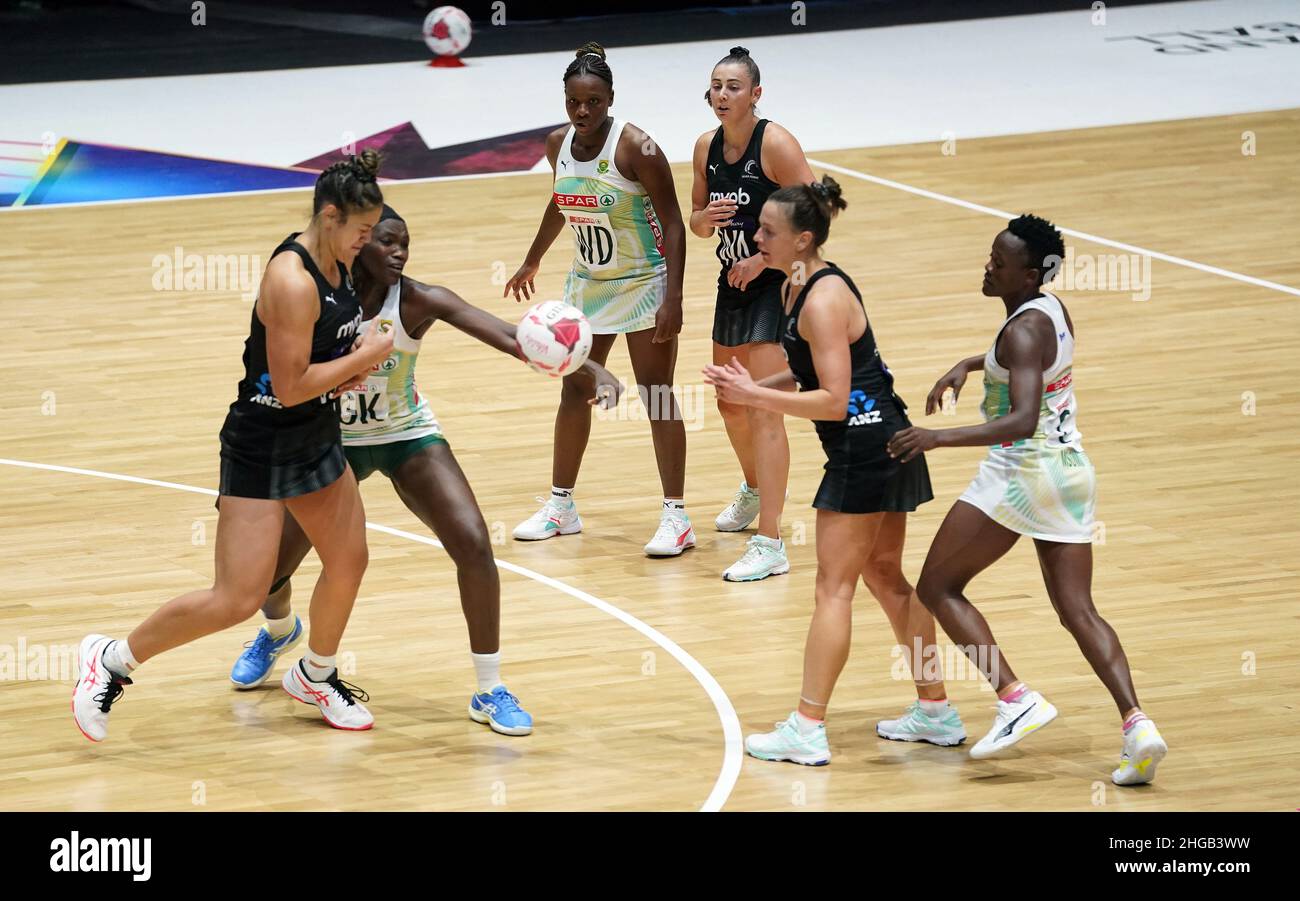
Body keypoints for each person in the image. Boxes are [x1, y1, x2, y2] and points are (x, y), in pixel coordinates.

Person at [227, 205, 621, 736]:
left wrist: (590, 366)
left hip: (404, 435)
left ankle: (489, 688)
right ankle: (278, 631)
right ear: (356, 243)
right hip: (327, 441)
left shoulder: (416, 298)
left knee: (474, 542)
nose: (399, 253)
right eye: (386, 242)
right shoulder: (316, 294)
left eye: (405, 243)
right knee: (270, 570)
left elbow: (508, 335)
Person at [73, 152, 394, 740]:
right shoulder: (291, 280)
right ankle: (111, 658)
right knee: (237, 597)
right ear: (329, 217)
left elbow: (315, 368)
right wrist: (365, 357)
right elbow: (291, 386)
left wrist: (350, 367)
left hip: (316, 435)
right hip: (262, 444)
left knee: (350, 560)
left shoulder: (338, 263)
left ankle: (315, 675)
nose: (368, 243)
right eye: (362, 231)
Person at [887, 214, 1167, 784]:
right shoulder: (1052, 312)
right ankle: (1137, 726)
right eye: (990, 255)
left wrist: (937, 437)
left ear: (1032, 270)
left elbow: (1020, 417)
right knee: (1078, 611)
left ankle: (1014, 698)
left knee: (937, 587)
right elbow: (1026, 366)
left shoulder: (1018, 332)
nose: (988, 266)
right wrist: (970, 365)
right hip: (1070, 473)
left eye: (999, 261)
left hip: (1022, 473)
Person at [705, 177, 959, 766]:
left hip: (865, 447)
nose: (757, 237)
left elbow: (836, 400)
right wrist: (752, 387)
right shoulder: (795, 284)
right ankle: (937, 711)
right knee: (888, 579)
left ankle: (807, 726)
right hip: (884, 439)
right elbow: (810, 375)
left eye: (769, 231)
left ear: (803, 240)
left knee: (832, 588)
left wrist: (759, 399)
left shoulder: (820, 298)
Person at [504, 42, 691, 557]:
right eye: (573, 102)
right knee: (573, 392)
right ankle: (561, 507)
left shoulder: (638, 149)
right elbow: (562, 199)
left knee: (655, 394)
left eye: (593, 101)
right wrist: (532, 259)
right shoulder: (555, 144)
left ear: (611, 98)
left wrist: (672, 296)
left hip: (642, 282)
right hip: (587, 285)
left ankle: (676, 517)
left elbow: (673, 223)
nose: (582, 112)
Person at [691, 45, 815, 581]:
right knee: (729, 402)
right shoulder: (706, 146)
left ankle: (771, 542)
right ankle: (754, 489)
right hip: (732, 283)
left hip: (777, 287)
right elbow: (695, 221)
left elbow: (815, 215)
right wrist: (705, 216)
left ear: (755, 94)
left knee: (765, 408)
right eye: (716, 86)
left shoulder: (776, 143)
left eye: (733, 86)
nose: (722, 95)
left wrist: (764, 259)